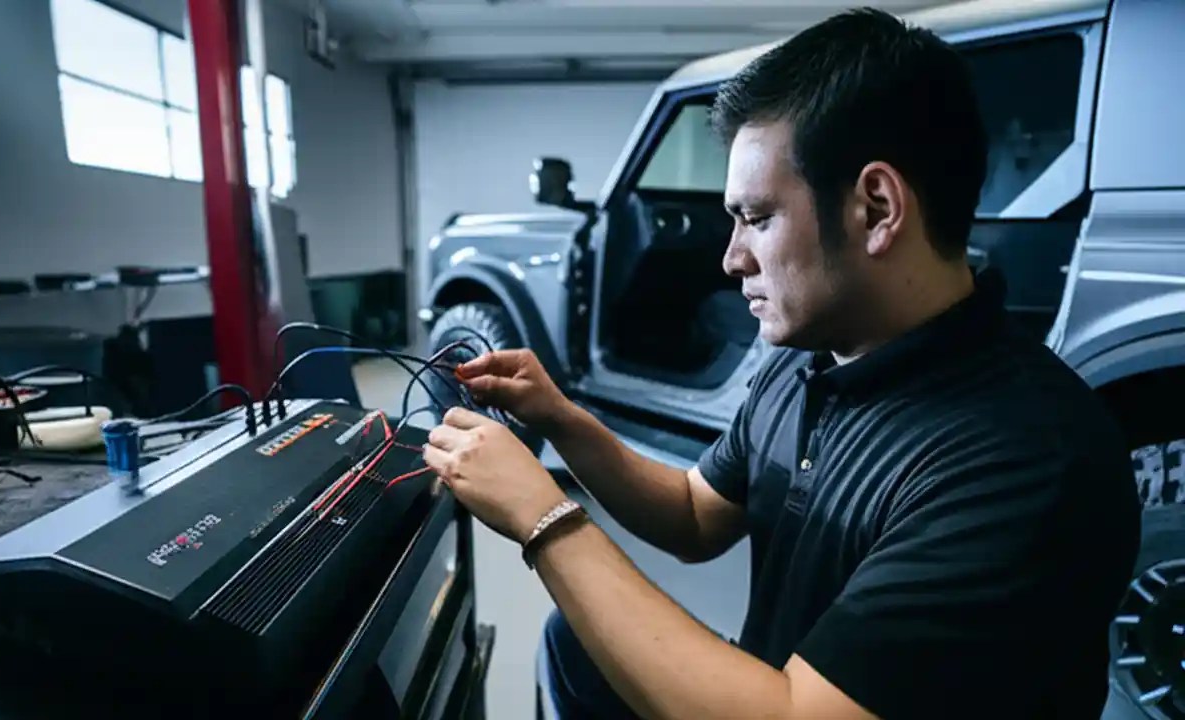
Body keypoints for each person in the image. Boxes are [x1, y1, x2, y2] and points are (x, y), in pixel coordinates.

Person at [421, 8, 1141, 719]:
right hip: (783, 680)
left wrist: (545, 519)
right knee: (573, 644)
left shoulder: (1023, 460)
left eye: (758, 218)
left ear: (876, 209)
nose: (732, 258)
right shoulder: (810, 360)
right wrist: (560, 417)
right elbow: (695, 514)